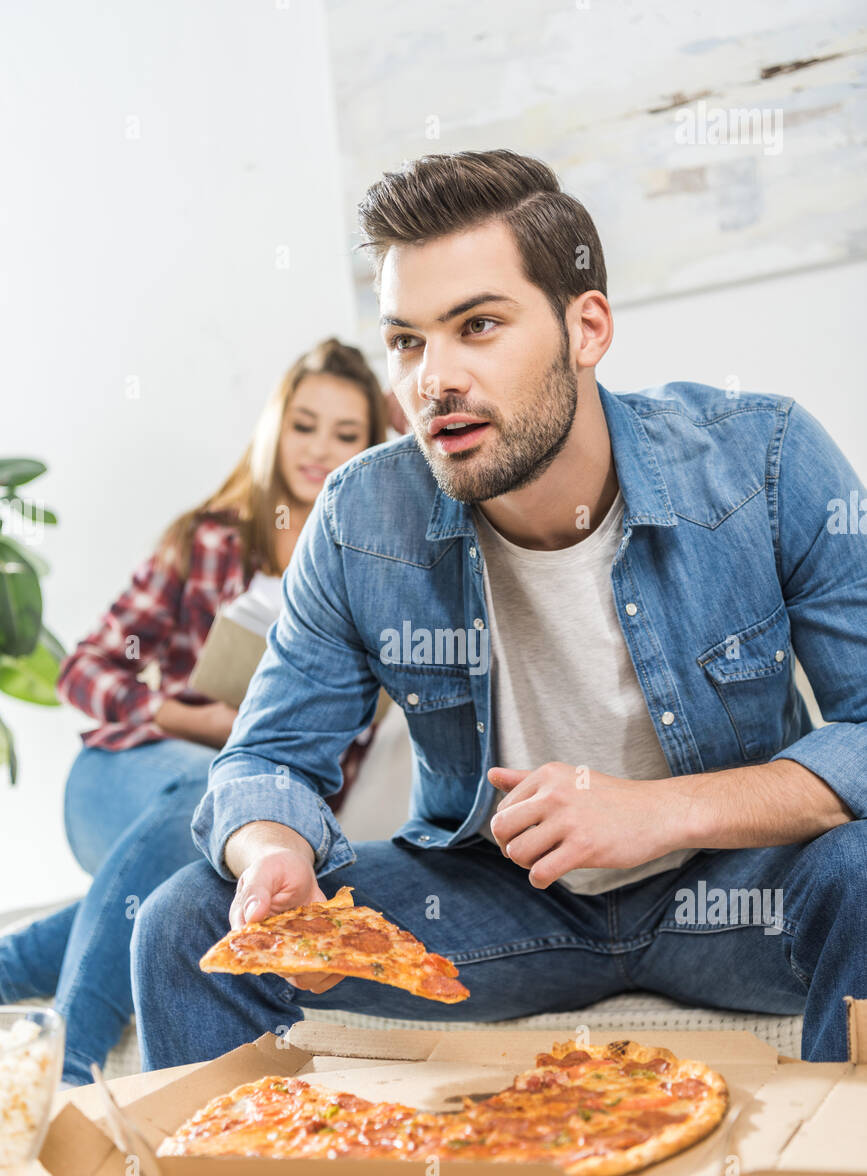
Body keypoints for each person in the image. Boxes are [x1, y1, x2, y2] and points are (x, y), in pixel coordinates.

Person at [130, 150, 867, 1069]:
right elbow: (272, 756)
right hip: (495, 902)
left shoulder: (762, 458)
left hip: (736, 891)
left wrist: (665, 811)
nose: (434, 378)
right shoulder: (362, 517)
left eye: (477, 325)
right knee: (181, 921)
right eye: (407, 340)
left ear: (585, 326)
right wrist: (268, 848)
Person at [0, 337, 390, 1084]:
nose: (318, 451)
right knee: (212, 783)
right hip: (129, 773)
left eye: (349, 435)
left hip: (245, 825)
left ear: (373, 445)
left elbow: (339, 749)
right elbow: (82, 671)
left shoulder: (369, 569)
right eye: (305, 425)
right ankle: (72, 1067)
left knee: (200, 869)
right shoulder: (206, 540)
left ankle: (11, 967)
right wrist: (186, 720)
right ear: (275, 426)